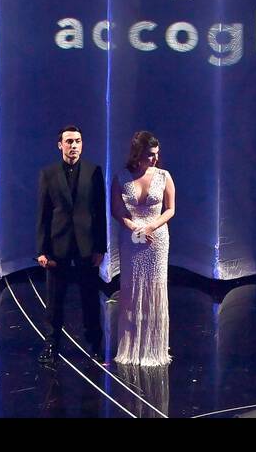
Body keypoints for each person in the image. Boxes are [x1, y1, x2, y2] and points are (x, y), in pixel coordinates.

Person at [36, 125, 107, 365]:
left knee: (89, 298)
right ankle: (51, 346)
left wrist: (101, 248)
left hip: (87, 246)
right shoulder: (49, 173)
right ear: (60, 145)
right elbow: (43, 214)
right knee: (54, 300)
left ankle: (95, 347)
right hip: (58, 246)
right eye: (69, 141)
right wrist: (41, 250)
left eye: (77, 141)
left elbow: (100, 212)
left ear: (82, 144)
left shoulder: (94, 171)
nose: (73, 145)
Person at [112, 130, 174, 367]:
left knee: (155, 288)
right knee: (131, 289)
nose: (155, 159)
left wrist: (151, 227)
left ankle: (154, 347)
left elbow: (170, 209)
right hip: (131, 239)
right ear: (138, 154)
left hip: (156, 239)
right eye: (150, 155)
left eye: (156, 154)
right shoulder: (121, 177)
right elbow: (117, 210)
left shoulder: (164, 176)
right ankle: (131, 347)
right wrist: (133, 228)